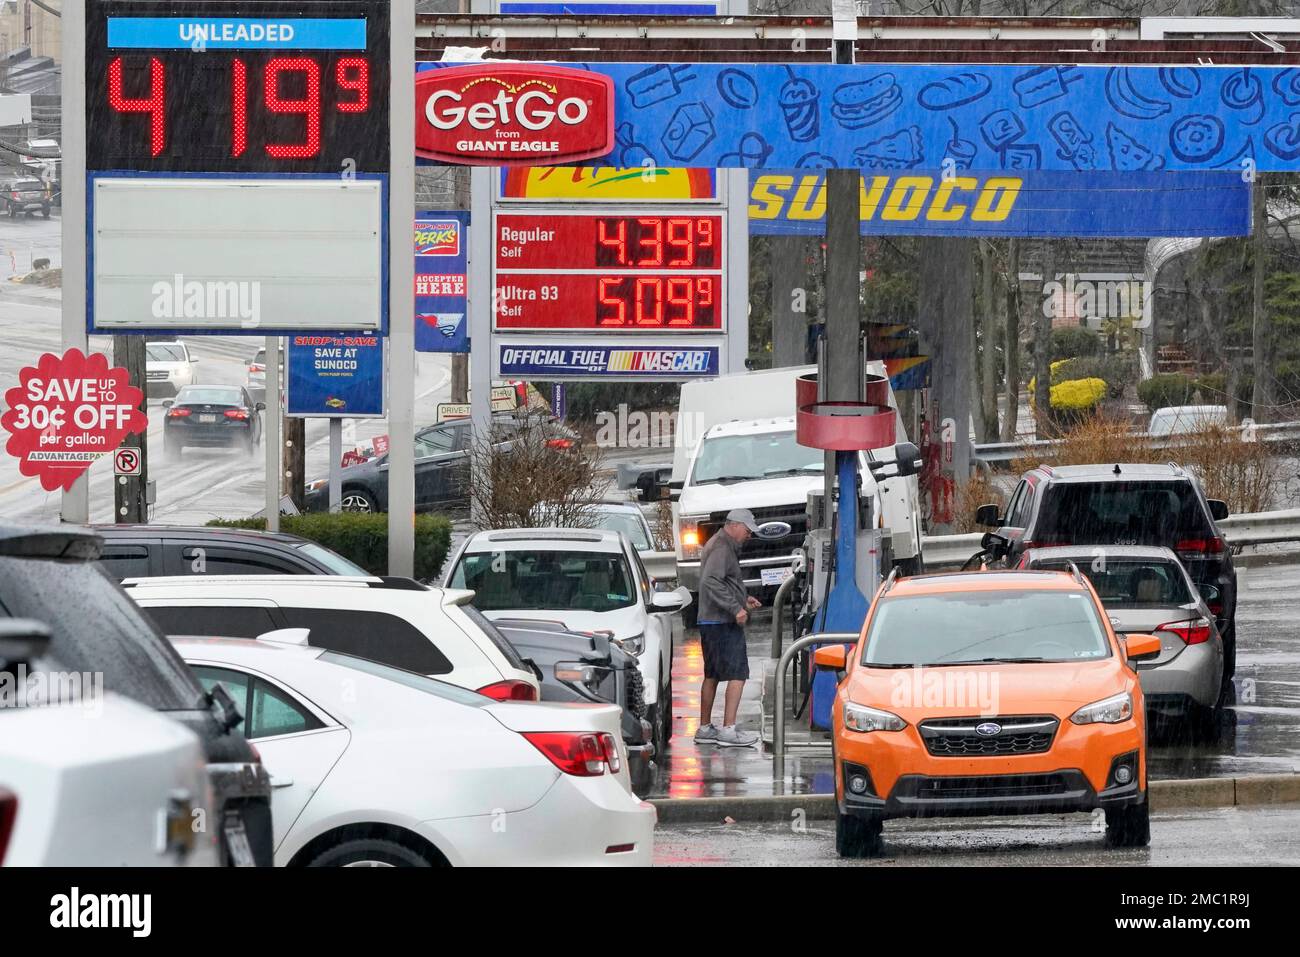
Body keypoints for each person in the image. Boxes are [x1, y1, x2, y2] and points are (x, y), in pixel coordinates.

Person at [694, 508, 763, 748]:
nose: (749, 536)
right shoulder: (723, 547)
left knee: (712, 675)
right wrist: (736, 608)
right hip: (722, 622)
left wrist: (744, 599)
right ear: (734, 525)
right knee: (738, 674)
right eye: (747, 530)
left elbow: (720, 581)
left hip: (710, 621)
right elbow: (711, 581)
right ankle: (728, 730)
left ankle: (705, 728)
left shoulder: (718, 544)